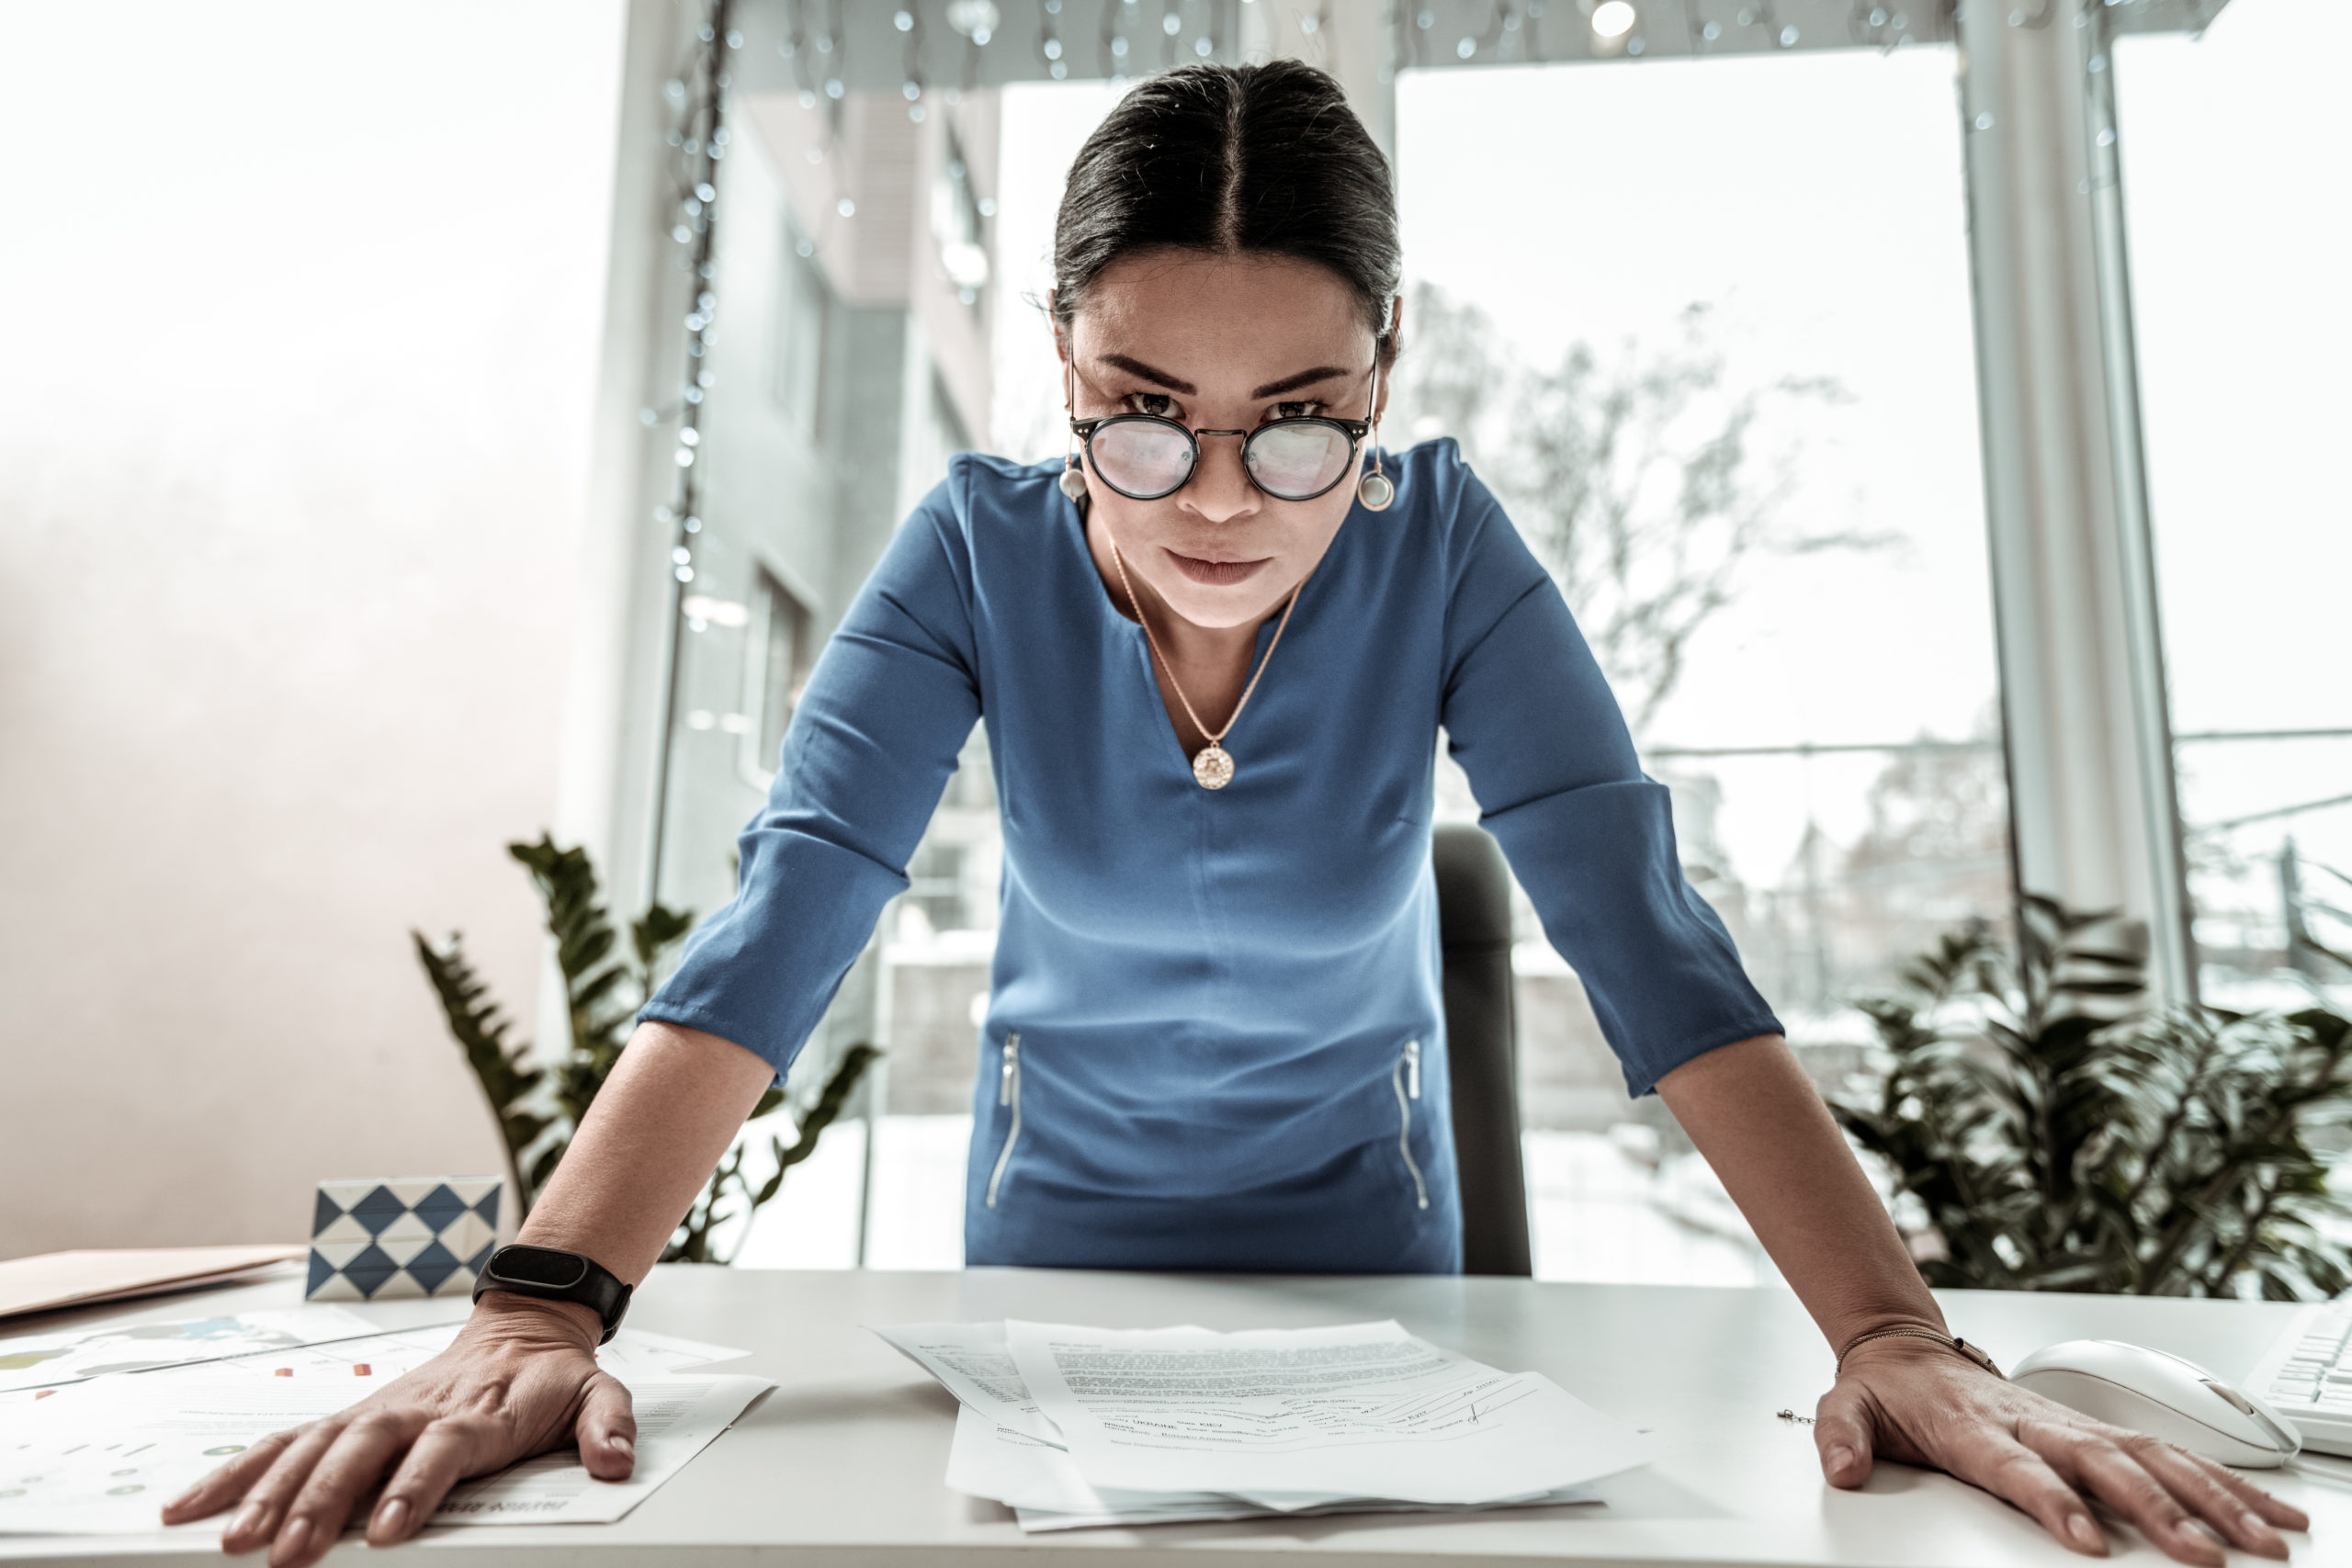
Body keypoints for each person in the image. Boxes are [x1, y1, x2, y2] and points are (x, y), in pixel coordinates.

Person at [168, 60, 2302, 1567]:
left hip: (1389, 1281)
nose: (1213, 500)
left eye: (1299, 431)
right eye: (1136, 420)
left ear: (1387, 365)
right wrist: (540, 1299)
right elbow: (786, 914)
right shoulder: (969, 554)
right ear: (1059, 364)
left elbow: (1644, 934)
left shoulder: (1448, 550)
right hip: (1047, 1278)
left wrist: (1895, 1335)